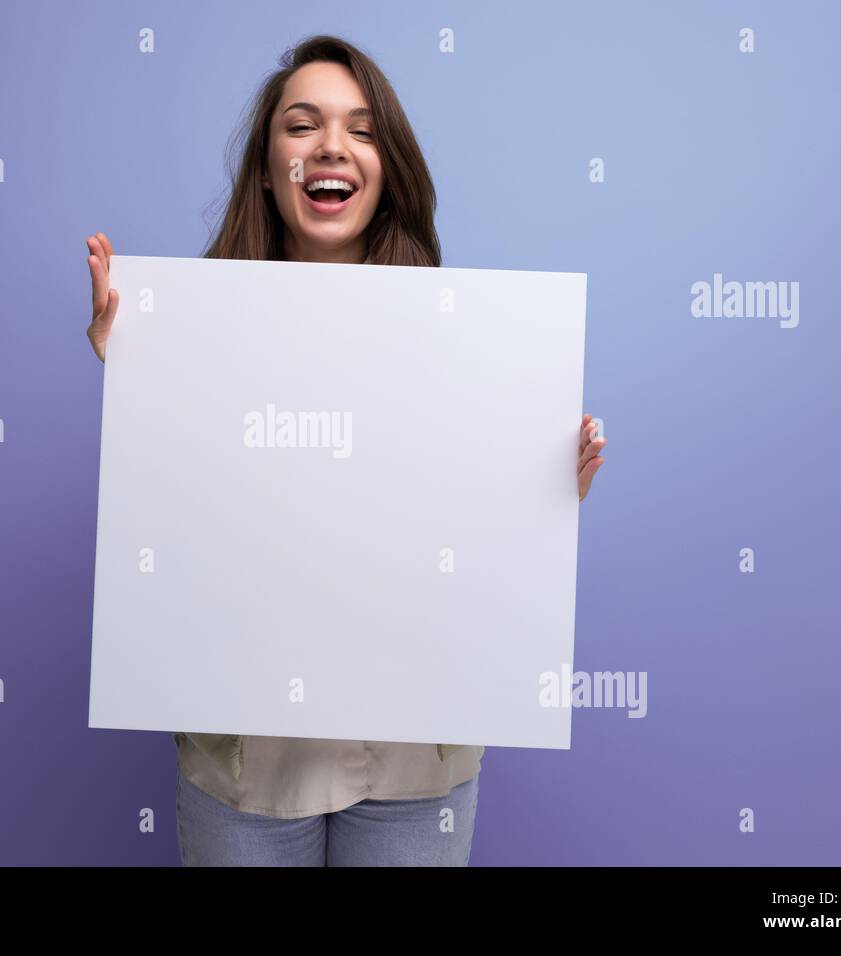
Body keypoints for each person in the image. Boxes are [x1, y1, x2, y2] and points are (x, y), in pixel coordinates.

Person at [84, 35, 606, 866]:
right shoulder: (185, 332)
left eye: (362, 130)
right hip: (246, 761)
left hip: (414, 762)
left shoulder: (467, 339)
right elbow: (176, 541)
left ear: (387, 167)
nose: (332, 146)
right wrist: (141, 384)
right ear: (267, 167)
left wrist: (545, 496)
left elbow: (469, 547)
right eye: (303, 125)